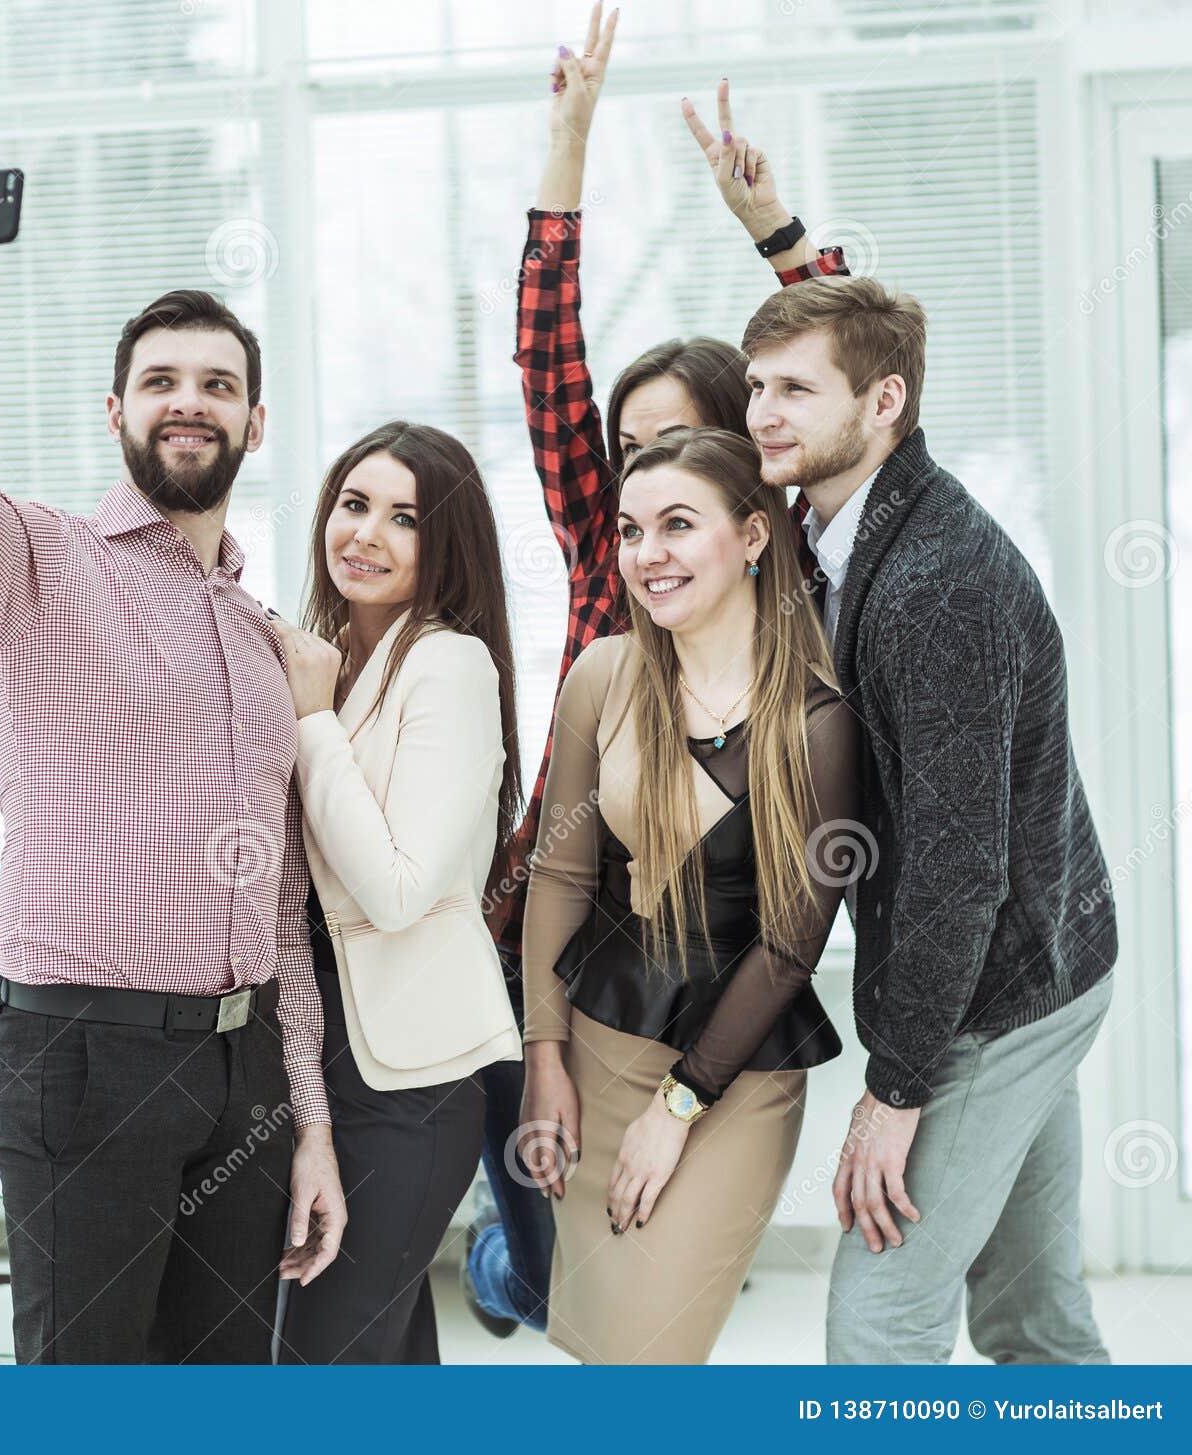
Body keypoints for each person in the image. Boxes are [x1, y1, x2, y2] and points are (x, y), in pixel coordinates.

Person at [0, 164, 345, 1364]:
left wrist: (310, 1121)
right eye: (161, 381)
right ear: (114, 411)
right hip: (85, 1060)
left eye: (217, 385)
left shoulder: (263, 635)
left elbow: (281, 900)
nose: (190, 403)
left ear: (255, 424)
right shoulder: (35, 564)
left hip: (242, 1067)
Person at [465, 1, 848, 1336]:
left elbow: (852, 373)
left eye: (677, 454)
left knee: (637, 1307)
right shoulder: (607, 543)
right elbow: (545, 360)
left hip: (722, 984)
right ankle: (509, 1266)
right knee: (547, 1267)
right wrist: (565, 146)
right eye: (628, 454)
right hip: (569, 944)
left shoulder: (790, 570)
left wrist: (775, 230)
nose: (641, 486)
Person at [735, 275, 1120, 1364]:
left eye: (794, 390)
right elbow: (857, 332)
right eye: (757, 386)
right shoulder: (842, 530)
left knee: (879, 1326)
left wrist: (894, 1090)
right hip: (1045, 960)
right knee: (1034, 1322)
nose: (763, 413)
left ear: (884, 402)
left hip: (998, 995)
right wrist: (774, 230)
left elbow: (960, 872)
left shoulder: (938, 587)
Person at [519, 426, 858, 1364]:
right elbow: (561, 875)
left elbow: (792, 943)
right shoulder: (603, 676)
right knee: (598, 1354)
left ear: (753, 535)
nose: (647, 554)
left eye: (677, 524)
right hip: (596, 1050)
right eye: (631, 531)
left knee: (650, 1355)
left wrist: (677, 1109)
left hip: (732, 1079)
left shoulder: (818, 720)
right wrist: (544, 1059)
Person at [266, 423, 524, 1363]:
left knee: (327, 1362)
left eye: (404, 517)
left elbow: (399, 889)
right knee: (385, 1352)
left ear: (447, 542)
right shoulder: (330, 658)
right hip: (319, 1060)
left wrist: (313, 720)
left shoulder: (450, 663)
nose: (366, 533)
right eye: (354, 504)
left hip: (407, 1080)